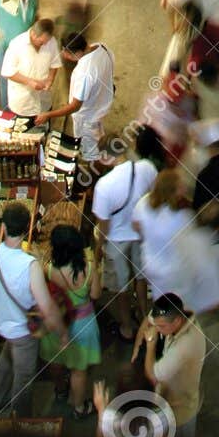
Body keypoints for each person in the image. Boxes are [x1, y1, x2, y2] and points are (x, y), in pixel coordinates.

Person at [0, 201, 66, 419]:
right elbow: (46, 307)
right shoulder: (30, 265)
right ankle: (20, 418)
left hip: (1, 323)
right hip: (23, 330)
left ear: (3, 227)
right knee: (24, 377)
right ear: (27, 229)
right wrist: (62, 332)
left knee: (6, 358)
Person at [93, 127, 165, 338]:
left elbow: (104, 225)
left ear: (106, 156)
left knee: (121, 287)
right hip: (141, 236)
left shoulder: (103, 186)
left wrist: (98, 250)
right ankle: (144, 317)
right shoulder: (147, 168)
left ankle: (126, 327)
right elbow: (154, 196)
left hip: (117, 241)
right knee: (141, 278)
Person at [40, 223, 101, 418]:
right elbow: (96, 294)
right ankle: (79, 407)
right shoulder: (89, 269)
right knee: (79, 370)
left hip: (57, 324)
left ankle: (60, 391)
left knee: (56, 363)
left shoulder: (49, 269)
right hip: (83, 325)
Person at [133, 294, 207, 437]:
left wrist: (150, 343)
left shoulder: (184, 347)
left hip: (179, 411)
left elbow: (152, 375)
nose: (157, 329)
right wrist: (136, 348)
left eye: (161, 327)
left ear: (177, 321)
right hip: (168, 400)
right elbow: (150, 319)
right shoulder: (177, 313)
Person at [34, 30, 115, 160]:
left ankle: (94, 165)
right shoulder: (101, 47)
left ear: (77, 53)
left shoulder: (84, 72)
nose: (64, 55)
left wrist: (48, 114)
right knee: (98, 134)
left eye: (66, 52)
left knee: (91, 153)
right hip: (100, 104)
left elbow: (75, 106)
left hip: (87, 118)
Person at [133, 168, 193, 306]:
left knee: (160, 302)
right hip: (176, 269)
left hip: (152, 265)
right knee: (181, 304)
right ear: (171, 191)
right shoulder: (182, 215)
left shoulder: (143, 203)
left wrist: (148, 237)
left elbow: (136, 226)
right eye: (180, 186)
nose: (184, 188)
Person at [0, 0, 39, 111]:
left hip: (24, 45)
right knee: (6, 76)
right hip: (5, 45)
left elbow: (34, 15)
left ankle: (23, 107)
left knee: (23, 75)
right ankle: (7, 110)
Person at [0, 17, 62, 120]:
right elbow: (7, 71)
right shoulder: (17, 44)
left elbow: (54, 63)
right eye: (41, 42)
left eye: (47, 41)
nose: (45, 44)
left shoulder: (51, 42)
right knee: (21, 129)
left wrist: (50, 80)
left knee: (43, 128)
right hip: (23, 104)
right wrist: (29, 82)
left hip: (43, 103)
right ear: (33, 34)